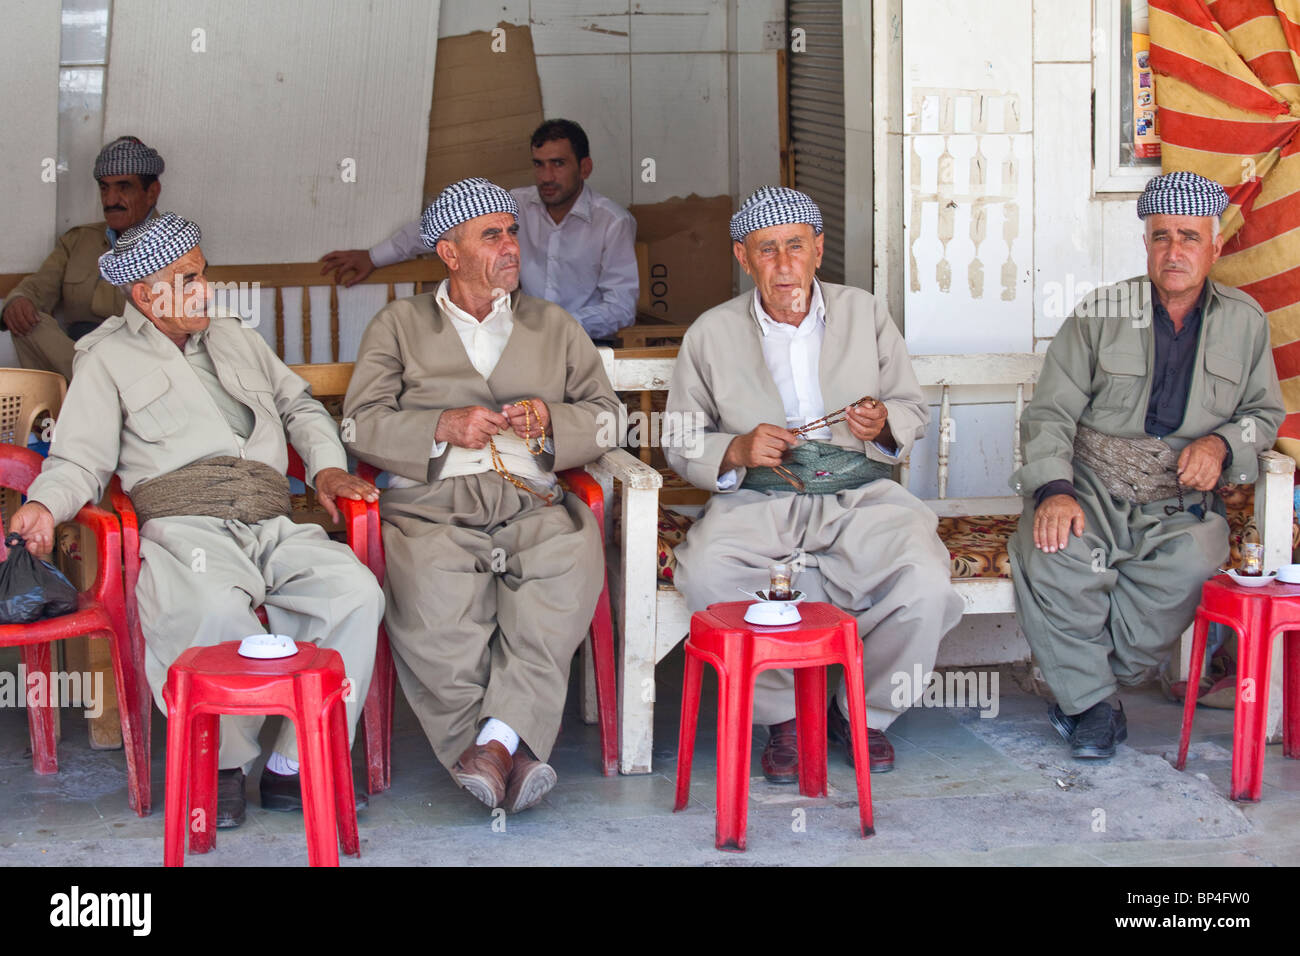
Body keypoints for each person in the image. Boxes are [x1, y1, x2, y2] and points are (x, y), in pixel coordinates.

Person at [8, 213, 384, 827]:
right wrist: (45, 506)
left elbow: (299, 407)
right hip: (186, 528)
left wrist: (326, 470)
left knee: (355, 593)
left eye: (204, 274)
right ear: (145, 293)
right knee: (211, 611)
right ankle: (224, 763)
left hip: (271, 519)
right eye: (187, 278)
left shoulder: (237, 337)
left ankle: (294, 766)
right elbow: (80, 458)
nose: (205, 290)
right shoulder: (105, 358)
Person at [664, 186, 964, 782]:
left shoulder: (865, 313)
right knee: (709, 573)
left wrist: (882, 425)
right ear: (742, 258)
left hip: (861, 494)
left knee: (923, 578)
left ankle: (860, 716)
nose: (783, 264)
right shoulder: (711, 332)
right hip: (759, 495)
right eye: (766, 249)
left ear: (818, 249)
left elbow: (909, 407)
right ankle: (783, 719)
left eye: (795, 247)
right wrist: (736, 448)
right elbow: (679, 436)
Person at [343, 177, 621, 813]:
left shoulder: (555, 325)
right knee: (436, 596)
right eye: (490, 235)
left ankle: (490, 751)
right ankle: (509, 747)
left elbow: (609, 419)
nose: (510, 246)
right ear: (450, 253)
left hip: (532, 499)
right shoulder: (398, 325)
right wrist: (440, 427)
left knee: (564, 570)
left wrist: (552, 422)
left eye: (512, 232)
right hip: (431, 505)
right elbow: (358, 424)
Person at [1008, 171, 1285, 759]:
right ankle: (1094, 711)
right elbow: (1050, 411)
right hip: (1092, 487)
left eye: (1189, 237)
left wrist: (1223, 446)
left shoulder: (1245, 320)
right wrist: (1055, 489)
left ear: (1214, 244)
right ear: (1146, 244)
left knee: (1191, 567)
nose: (1174, 251)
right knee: (1053, 554)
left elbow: (1265, 414)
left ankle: (1081, 686)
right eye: (1161, 236)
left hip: (1179, 503)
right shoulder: (1101, 312)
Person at [321, 119, 639, 343]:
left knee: (575, 422)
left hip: (586, 344)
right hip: (518, 342)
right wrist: (373, 257)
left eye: (558, 163)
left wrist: (560, 327)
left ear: (585, 167)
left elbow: (621, 306)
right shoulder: (512, 205)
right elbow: (440, 225)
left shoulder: (612, 222)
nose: (546, 176)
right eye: (539, 164)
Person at [2, 136, 164, 379]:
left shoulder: (176, 246)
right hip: (74, 356)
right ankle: (94, 385)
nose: (109, 201)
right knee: (26, 324)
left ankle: (96, 388)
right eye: (104, 188)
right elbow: (39, 286)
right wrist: (18, 301)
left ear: (151, 193)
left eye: (123, 187)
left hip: (136, 364)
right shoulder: (78, 240)